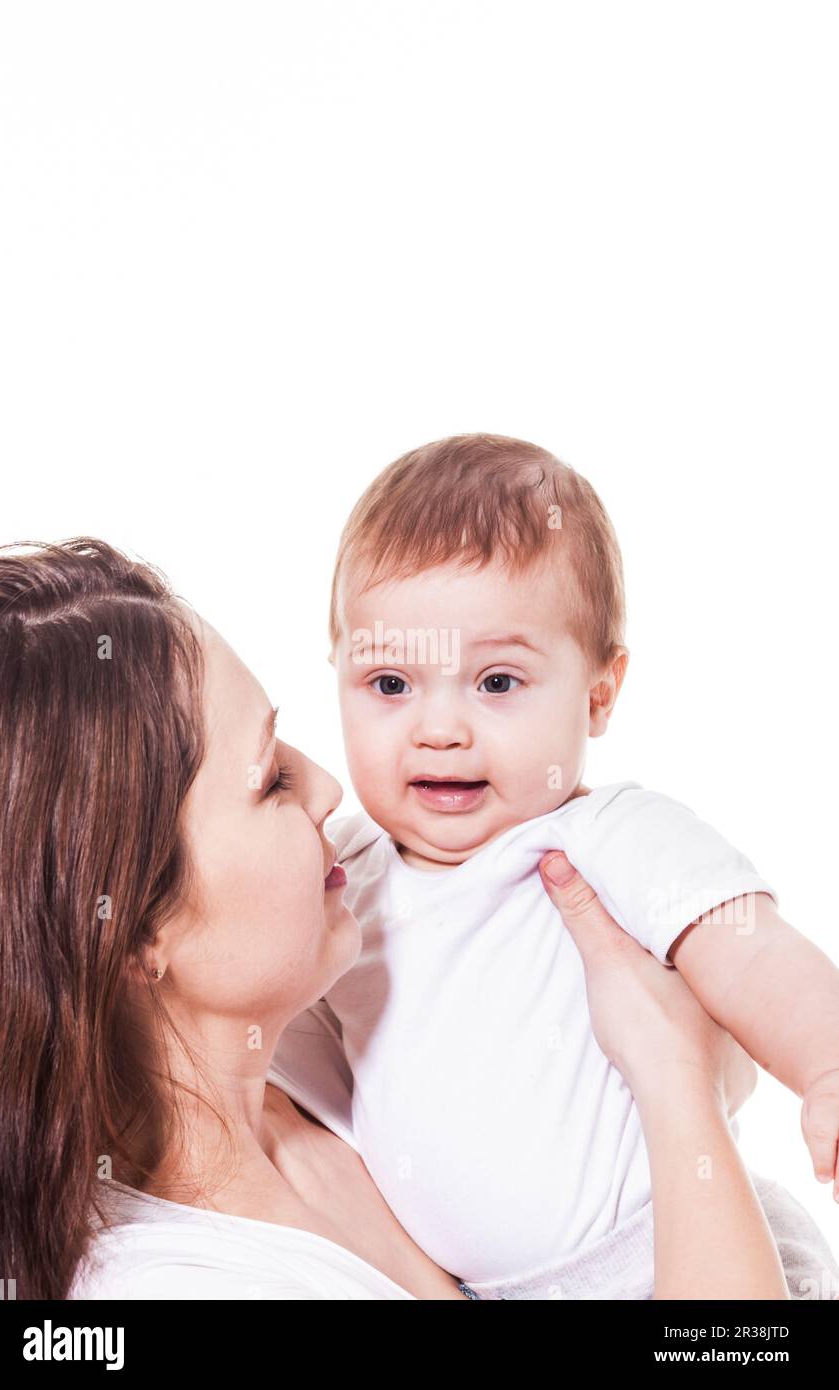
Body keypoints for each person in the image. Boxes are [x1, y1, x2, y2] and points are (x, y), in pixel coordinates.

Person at [0, 538, 830, 1301]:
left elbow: (739, 948)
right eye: (271, 780)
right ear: (133, 932)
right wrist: (679, 1087)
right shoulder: (174, 1281)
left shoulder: (307, 1050)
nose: (330, 790)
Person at [298, 430, 839, 1297]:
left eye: (498, 683)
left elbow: (750, 949)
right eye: (390, 685)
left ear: (599, 695)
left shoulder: (603, 838)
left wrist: (824, 1058)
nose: (440, 728)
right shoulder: (343, 877)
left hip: (672, 1247)